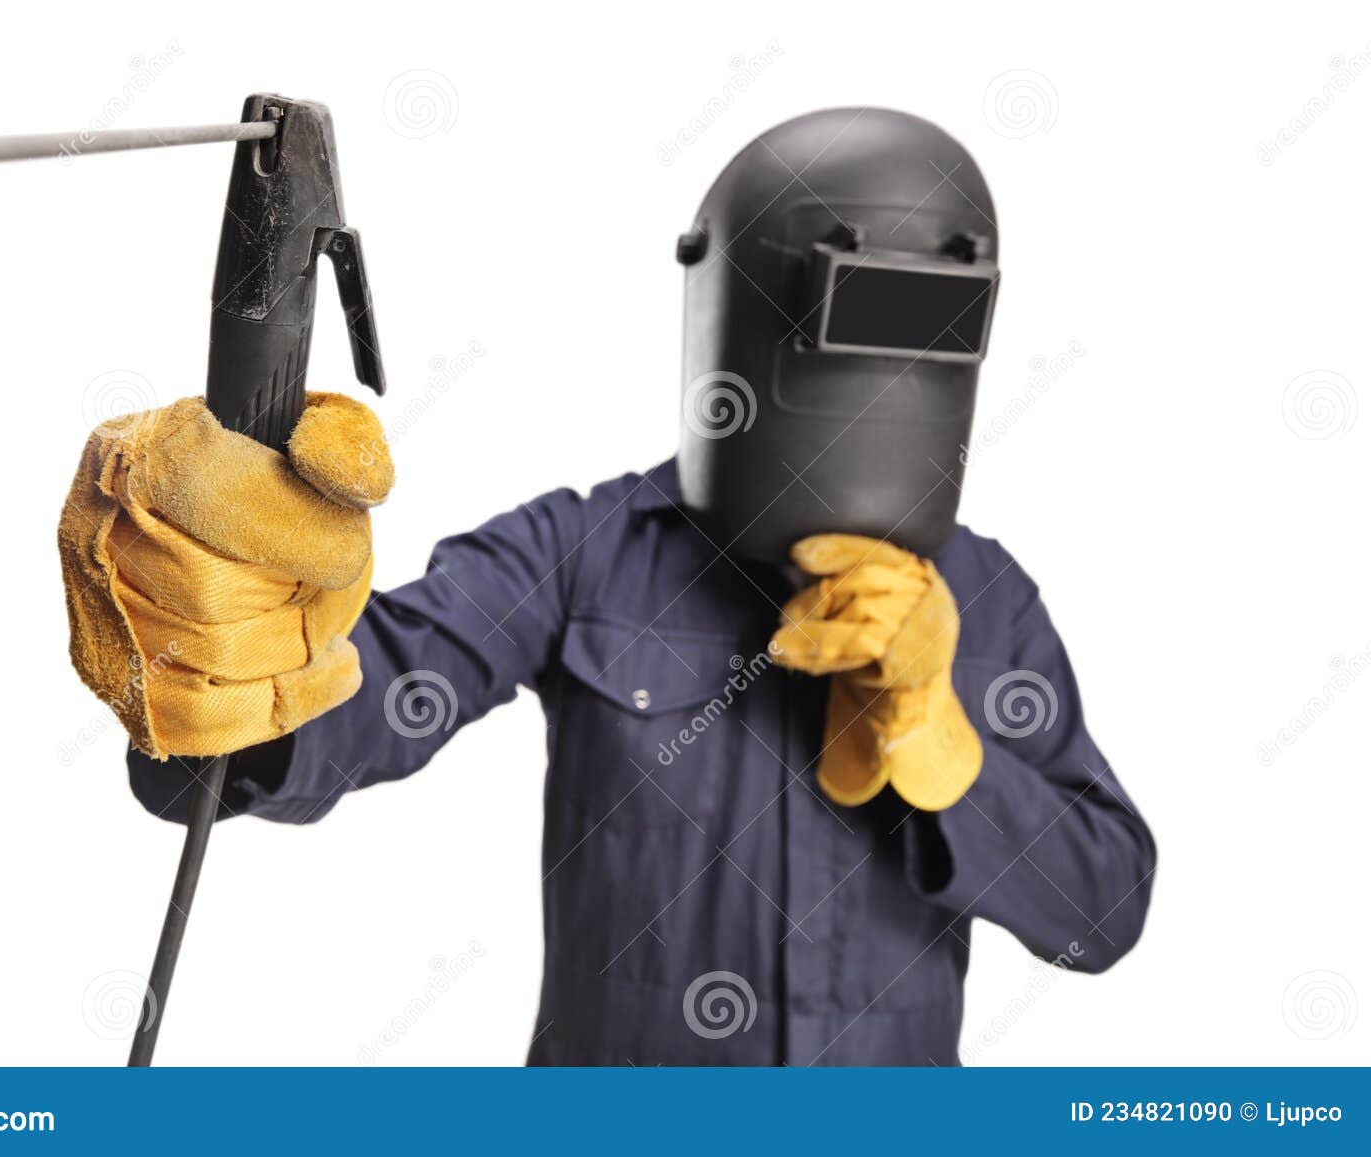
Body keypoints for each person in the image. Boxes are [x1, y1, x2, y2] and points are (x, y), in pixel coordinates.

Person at [60, 108, 1155, 1065]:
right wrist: (224, 649)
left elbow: (1100, 911)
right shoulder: (582, 552)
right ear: (738, 308)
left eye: (922, 316)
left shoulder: (987, 597)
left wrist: (945, 746)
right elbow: (379, 683)